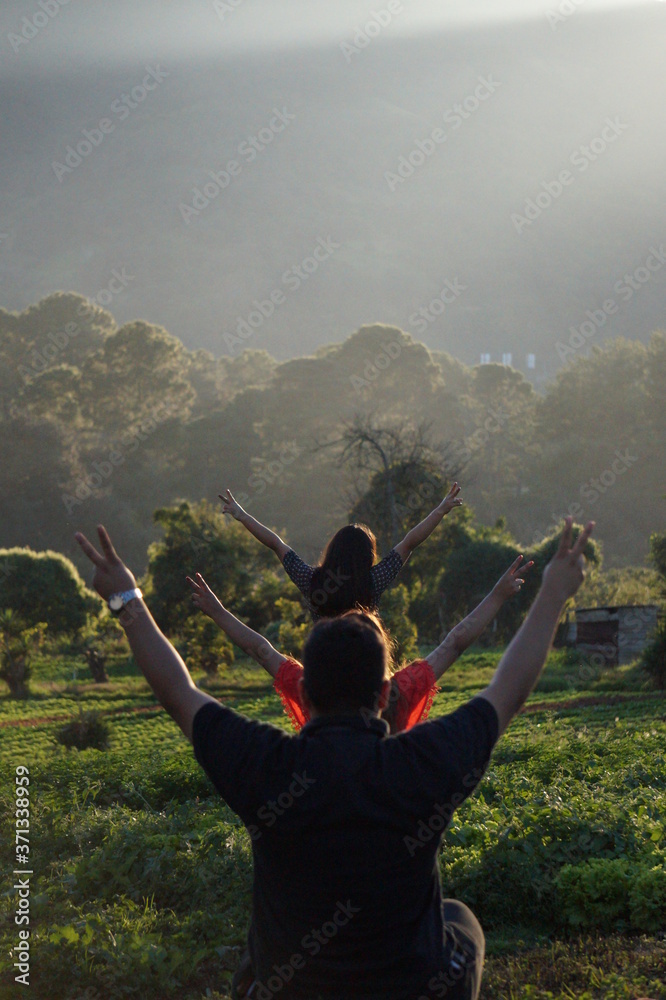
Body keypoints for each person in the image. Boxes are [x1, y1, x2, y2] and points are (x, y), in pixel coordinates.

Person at [74, 517, 593, 1000]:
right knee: (459, 920)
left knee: (253, 966)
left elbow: (178, 693)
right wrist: (551, 593)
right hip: (410, 986)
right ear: (384, 692)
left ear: (305, 691)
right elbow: (508, 690)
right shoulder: (422, 763)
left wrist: (128, 601)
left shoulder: (266, 766)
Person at [186, 555, 534, 733]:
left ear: (306, 693)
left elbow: (260, 649)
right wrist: (498, 595)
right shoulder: (399, 692)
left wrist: (217, 611)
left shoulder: (310, 694)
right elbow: (454, 643)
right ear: (381, 688)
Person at [219, 483, 463, 620]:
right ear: (368, 555)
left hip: (324, 669)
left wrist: (241, 515)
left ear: (333, 550)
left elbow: (275, 543)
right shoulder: (373, 581)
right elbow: (410, 543)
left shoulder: (311, 580)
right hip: (365, 667)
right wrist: (440, 511)